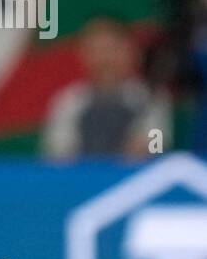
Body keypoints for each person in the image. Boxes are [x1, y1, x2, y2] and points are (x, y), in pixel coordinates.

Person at [41, 16, 171, 161]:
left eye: (113, 49)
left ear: (132, 52)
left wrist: (146, 148)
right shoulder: (68, 101)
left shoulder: (152, 97)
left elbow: (159, 144)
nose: (105, 59)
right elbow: (56, 153)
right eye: (97, 50)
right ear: (83, 55)